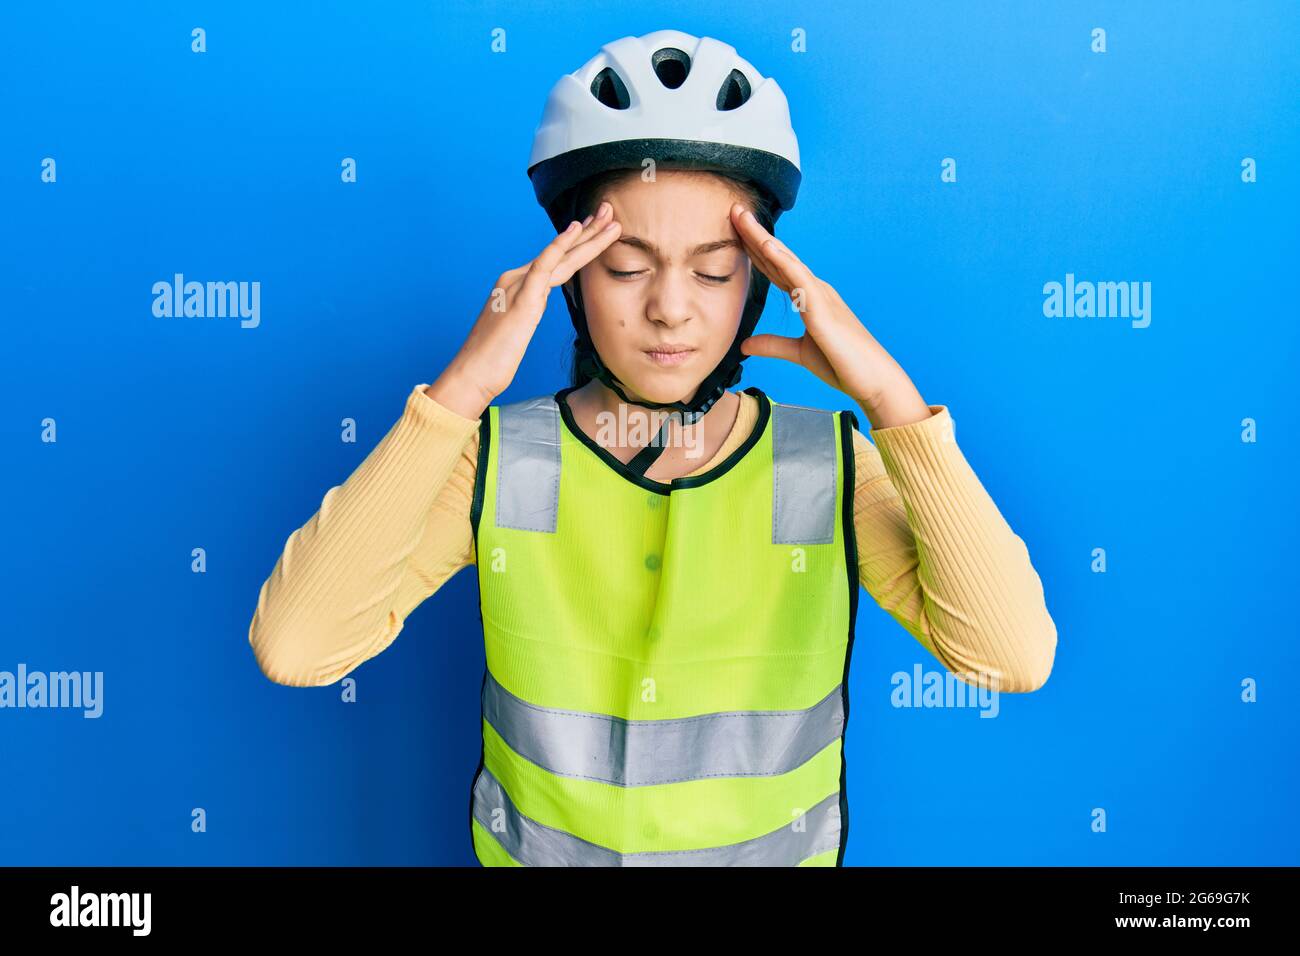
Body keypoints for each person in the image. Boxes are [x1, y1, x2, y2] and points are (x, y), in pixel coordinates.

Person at [247, 30, 1057, 867]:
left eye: (714, 271)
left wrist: (892, 404)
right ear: (566, 277)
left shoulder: (831, 467)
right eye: (627, 267)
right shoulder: (495, 458)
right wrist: (461, 391)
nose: (671, 310)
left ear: (760, 283)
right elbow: (298, 645)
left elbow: (1011, 655)